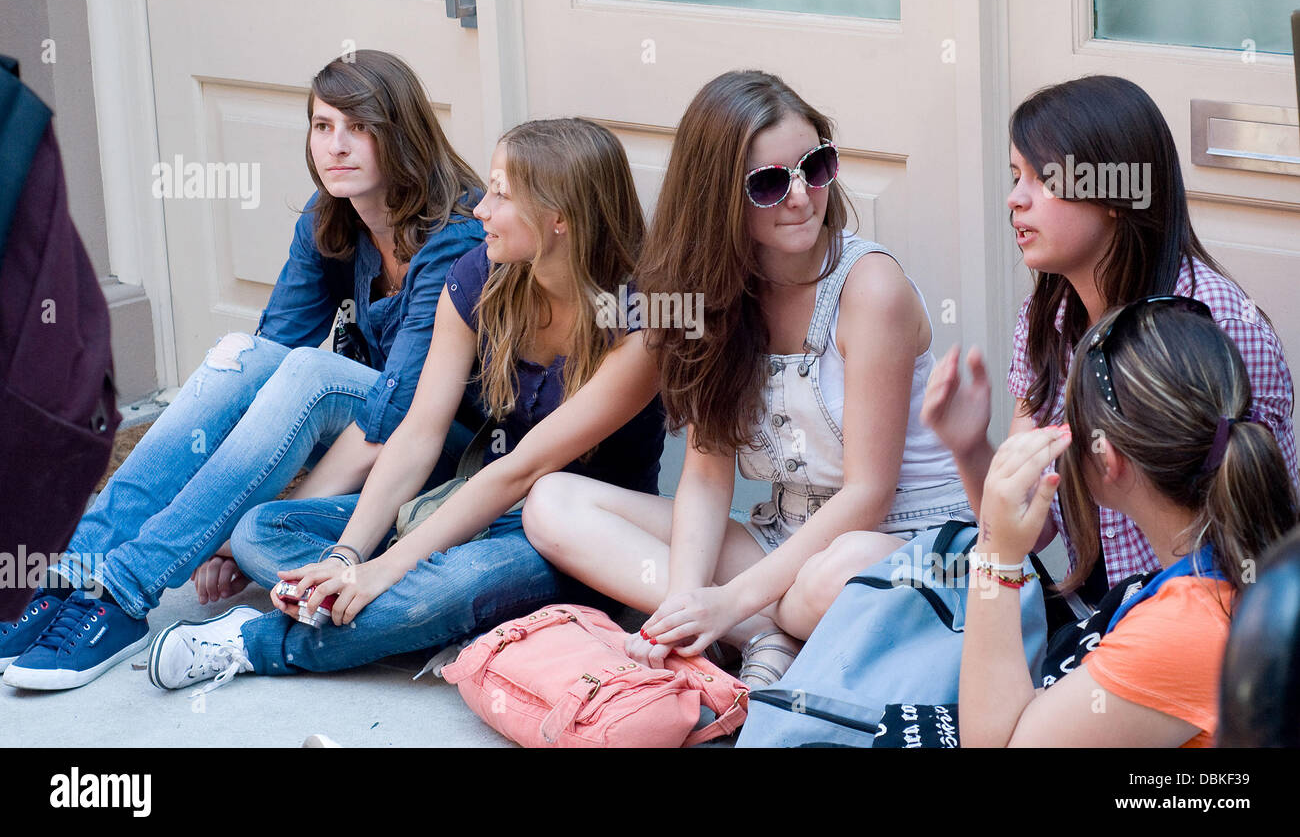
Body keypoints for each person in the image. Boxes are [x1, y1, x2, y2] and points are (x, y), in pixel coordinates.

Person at [0, 50, 485, 690]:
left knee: (311, 372)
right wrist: (218, 515)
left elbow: (400, 421)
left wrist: (228, 536)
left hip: (444, 453)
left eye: (359, 128)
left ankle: (123, 592)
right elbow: (268, 357)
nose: (336, 147)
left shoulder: (454, 236)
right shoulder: (329, 215)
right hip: (369, 426)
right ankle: (70, 569)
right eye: (321, 126)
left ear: (402, 133)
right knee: (246, 355)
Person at [144, 117, 666, 691]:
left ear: (560, 218)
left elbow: (524, 470)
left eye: (501, 194)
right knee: (259, 532)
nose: (479, 211)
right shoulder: (482, 277)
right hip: (468, 501)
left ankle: (254, 642)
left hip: (574, 538)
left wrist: (382, 571)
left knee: (450, 584)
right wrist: (348, 558)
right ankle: (433, 616)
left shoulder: (637, 323)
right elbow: (419, 430)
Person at [522, 70, 970, 689]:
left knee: (828, 576)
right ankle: (764, 636)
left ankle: (756, 626)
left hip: (905, 541)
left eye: (814, 167)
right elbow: (706, 475)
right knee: (553, 504)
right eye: (768, 182)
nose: (799, 196)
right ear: (718, 196)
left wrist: (726, 602)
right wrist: (684, 602)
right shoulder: (716, 299)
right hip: (784, 538)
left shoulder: (871, 290)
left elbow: (869, 494)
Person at [922, 74, 1296, 598]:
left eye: (1044, 179)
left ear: (1117, 193)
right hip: (1105, 618)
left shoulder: (1220, 330)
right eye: (1015, 175)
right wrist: (969, 448)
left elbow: (1259, 542)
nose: (1014, 199)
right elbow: (1032, 528)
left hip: (1201, 622)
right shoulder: (1046, 318)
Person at [960, 297, 1297, 746]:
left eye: (1070, 422)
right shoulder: (1236, 570)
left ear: (1108, 459)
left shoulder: (1188, 625)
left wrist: (997, 558)